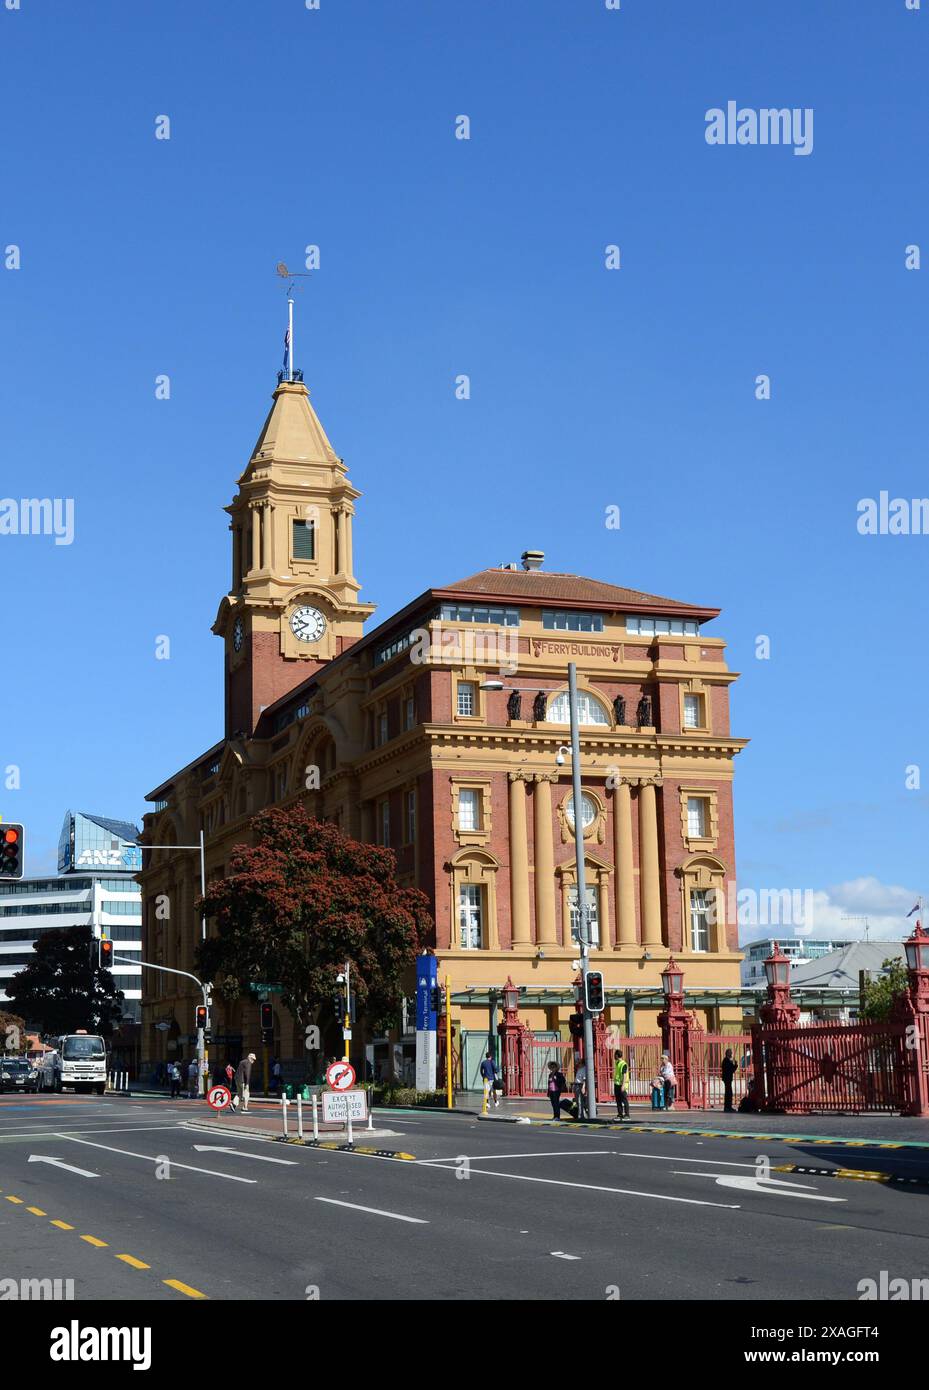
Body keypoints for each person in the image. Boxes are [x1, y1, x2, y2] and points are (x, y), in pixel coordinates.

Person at [613, 1049, 630, 1120]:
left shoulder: (623, 1064)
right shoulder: (617, 1063)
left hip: (622, 1085)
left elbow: (624, 1075)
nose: (614, 1056)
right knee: (618, 1100)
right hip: (617, 1084)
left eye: (614, 1055)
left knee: (624, 1100)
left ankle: (627, 1115)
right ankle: (620, 1114)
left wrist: (623, 1085)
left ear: (617, 1055)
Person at [721, 1048, 739, 1112]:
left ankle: (728, 1107)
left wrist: (734, 1065)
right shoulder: (726, 1061)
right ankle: (728, 1107)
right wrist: (735, 1065)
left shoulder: (726, 1060)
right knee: (729, 1093)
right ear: (727, 1053)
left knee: (728, 1093)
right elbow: (731, 1070)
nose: (731, 1054)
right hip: (727, 1079)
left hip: (727, 1079)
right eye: (730, 1052)